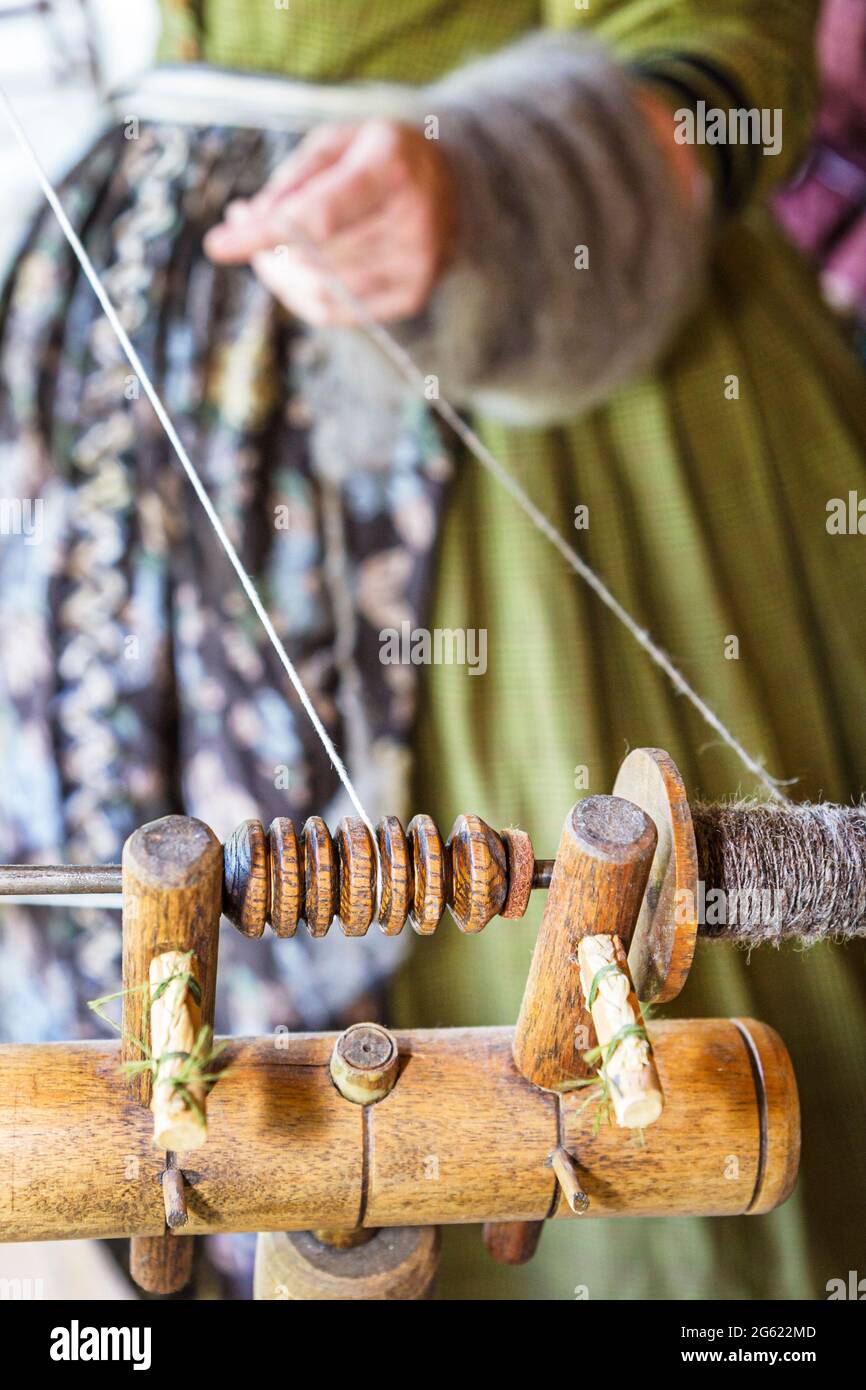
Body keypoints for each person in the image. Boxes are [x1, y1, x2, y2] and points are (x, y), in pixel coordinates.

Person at [1, 0, 865, 1300]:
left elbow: (722, 42)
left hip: (543, 352)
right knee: (175, 1133)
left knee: (659, 1121)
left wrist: (496, 194)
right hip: (137, 404)